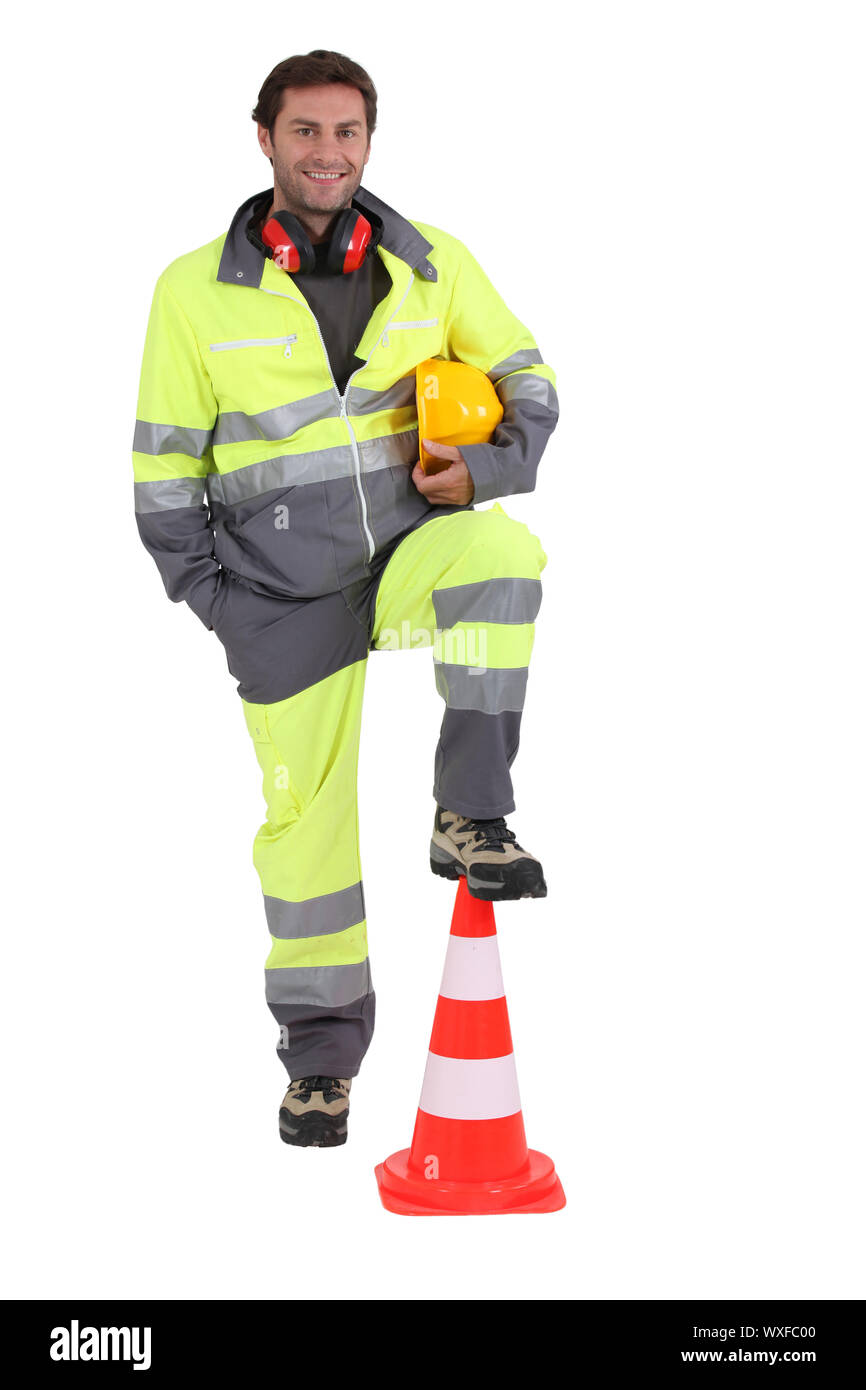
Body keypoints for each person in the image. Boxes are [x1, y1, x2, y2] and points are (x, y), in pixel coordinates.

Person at [132, 49, 560, 1148]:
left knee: (502, 557)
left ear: (370, 141)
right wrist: (216, 600)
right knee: (303, 832)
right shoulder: (193, 291)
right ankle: (321, 1061)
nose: (328, 152)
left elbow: (529, 378)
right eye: (306, 131)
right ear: (265, 138)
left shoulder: (430, 265)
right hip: (278, 598)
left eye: (347, 132)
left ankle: (467, 814)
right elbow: (162, 473)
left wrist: (482, 474)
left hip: (407, 551)